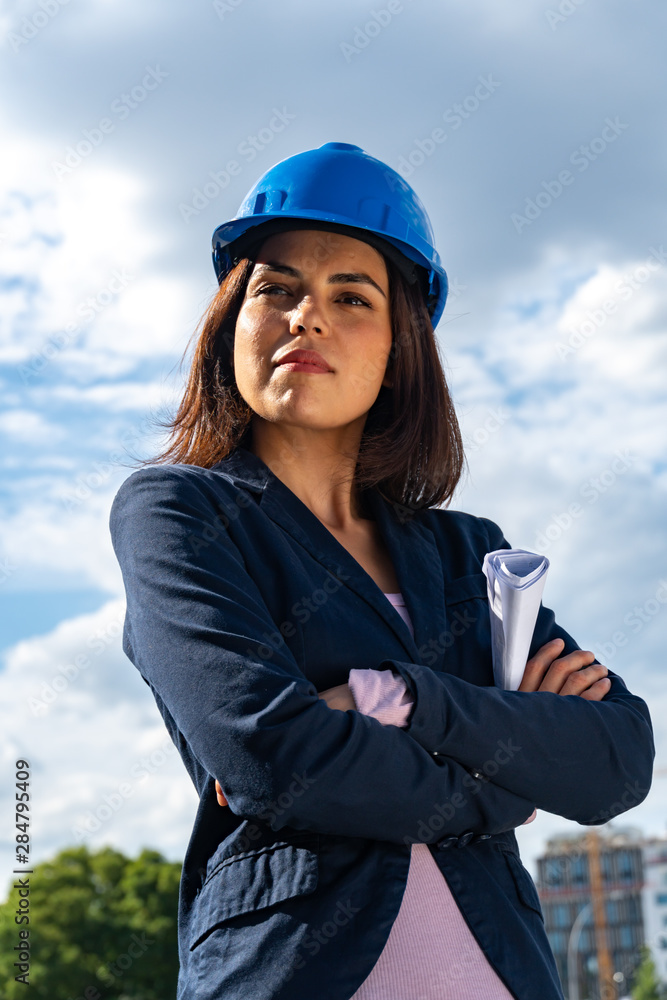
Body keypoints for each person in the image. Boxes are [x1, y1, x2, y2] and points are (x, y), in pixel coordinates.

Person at [109, 142, 654, 1000]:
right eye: (275, 289)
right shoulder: (178, 513)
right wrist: (503, 783)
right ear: (232, 324)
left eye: (349, 296)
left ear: (400, 347)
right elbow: (272, 756)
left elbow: (614, 760)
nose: (305, 317)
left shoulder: (468, 552)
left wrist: (395, 697)